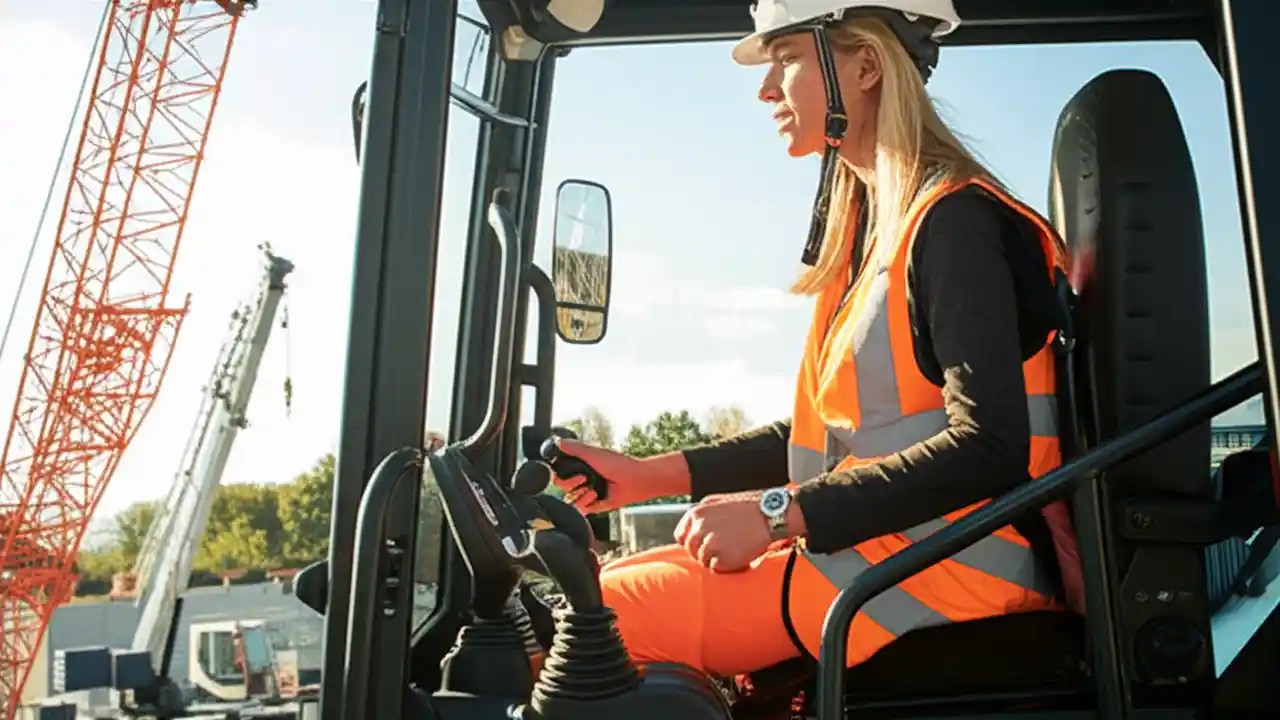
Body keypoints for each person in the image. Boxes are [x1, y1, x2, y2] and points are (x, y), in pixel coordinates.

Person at [549, 0, 1082, 678]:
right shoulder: (882, 233)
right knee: (600, 590)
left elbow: (990, 448)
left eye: (787, 58)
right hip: (879, 556)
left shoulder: (956, 225)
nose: (766, 89)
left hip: (943, 577)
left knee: (590, 626)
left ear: (866, 65)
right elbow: (831, 442)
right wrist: (651, 475)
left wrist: (778, 515)